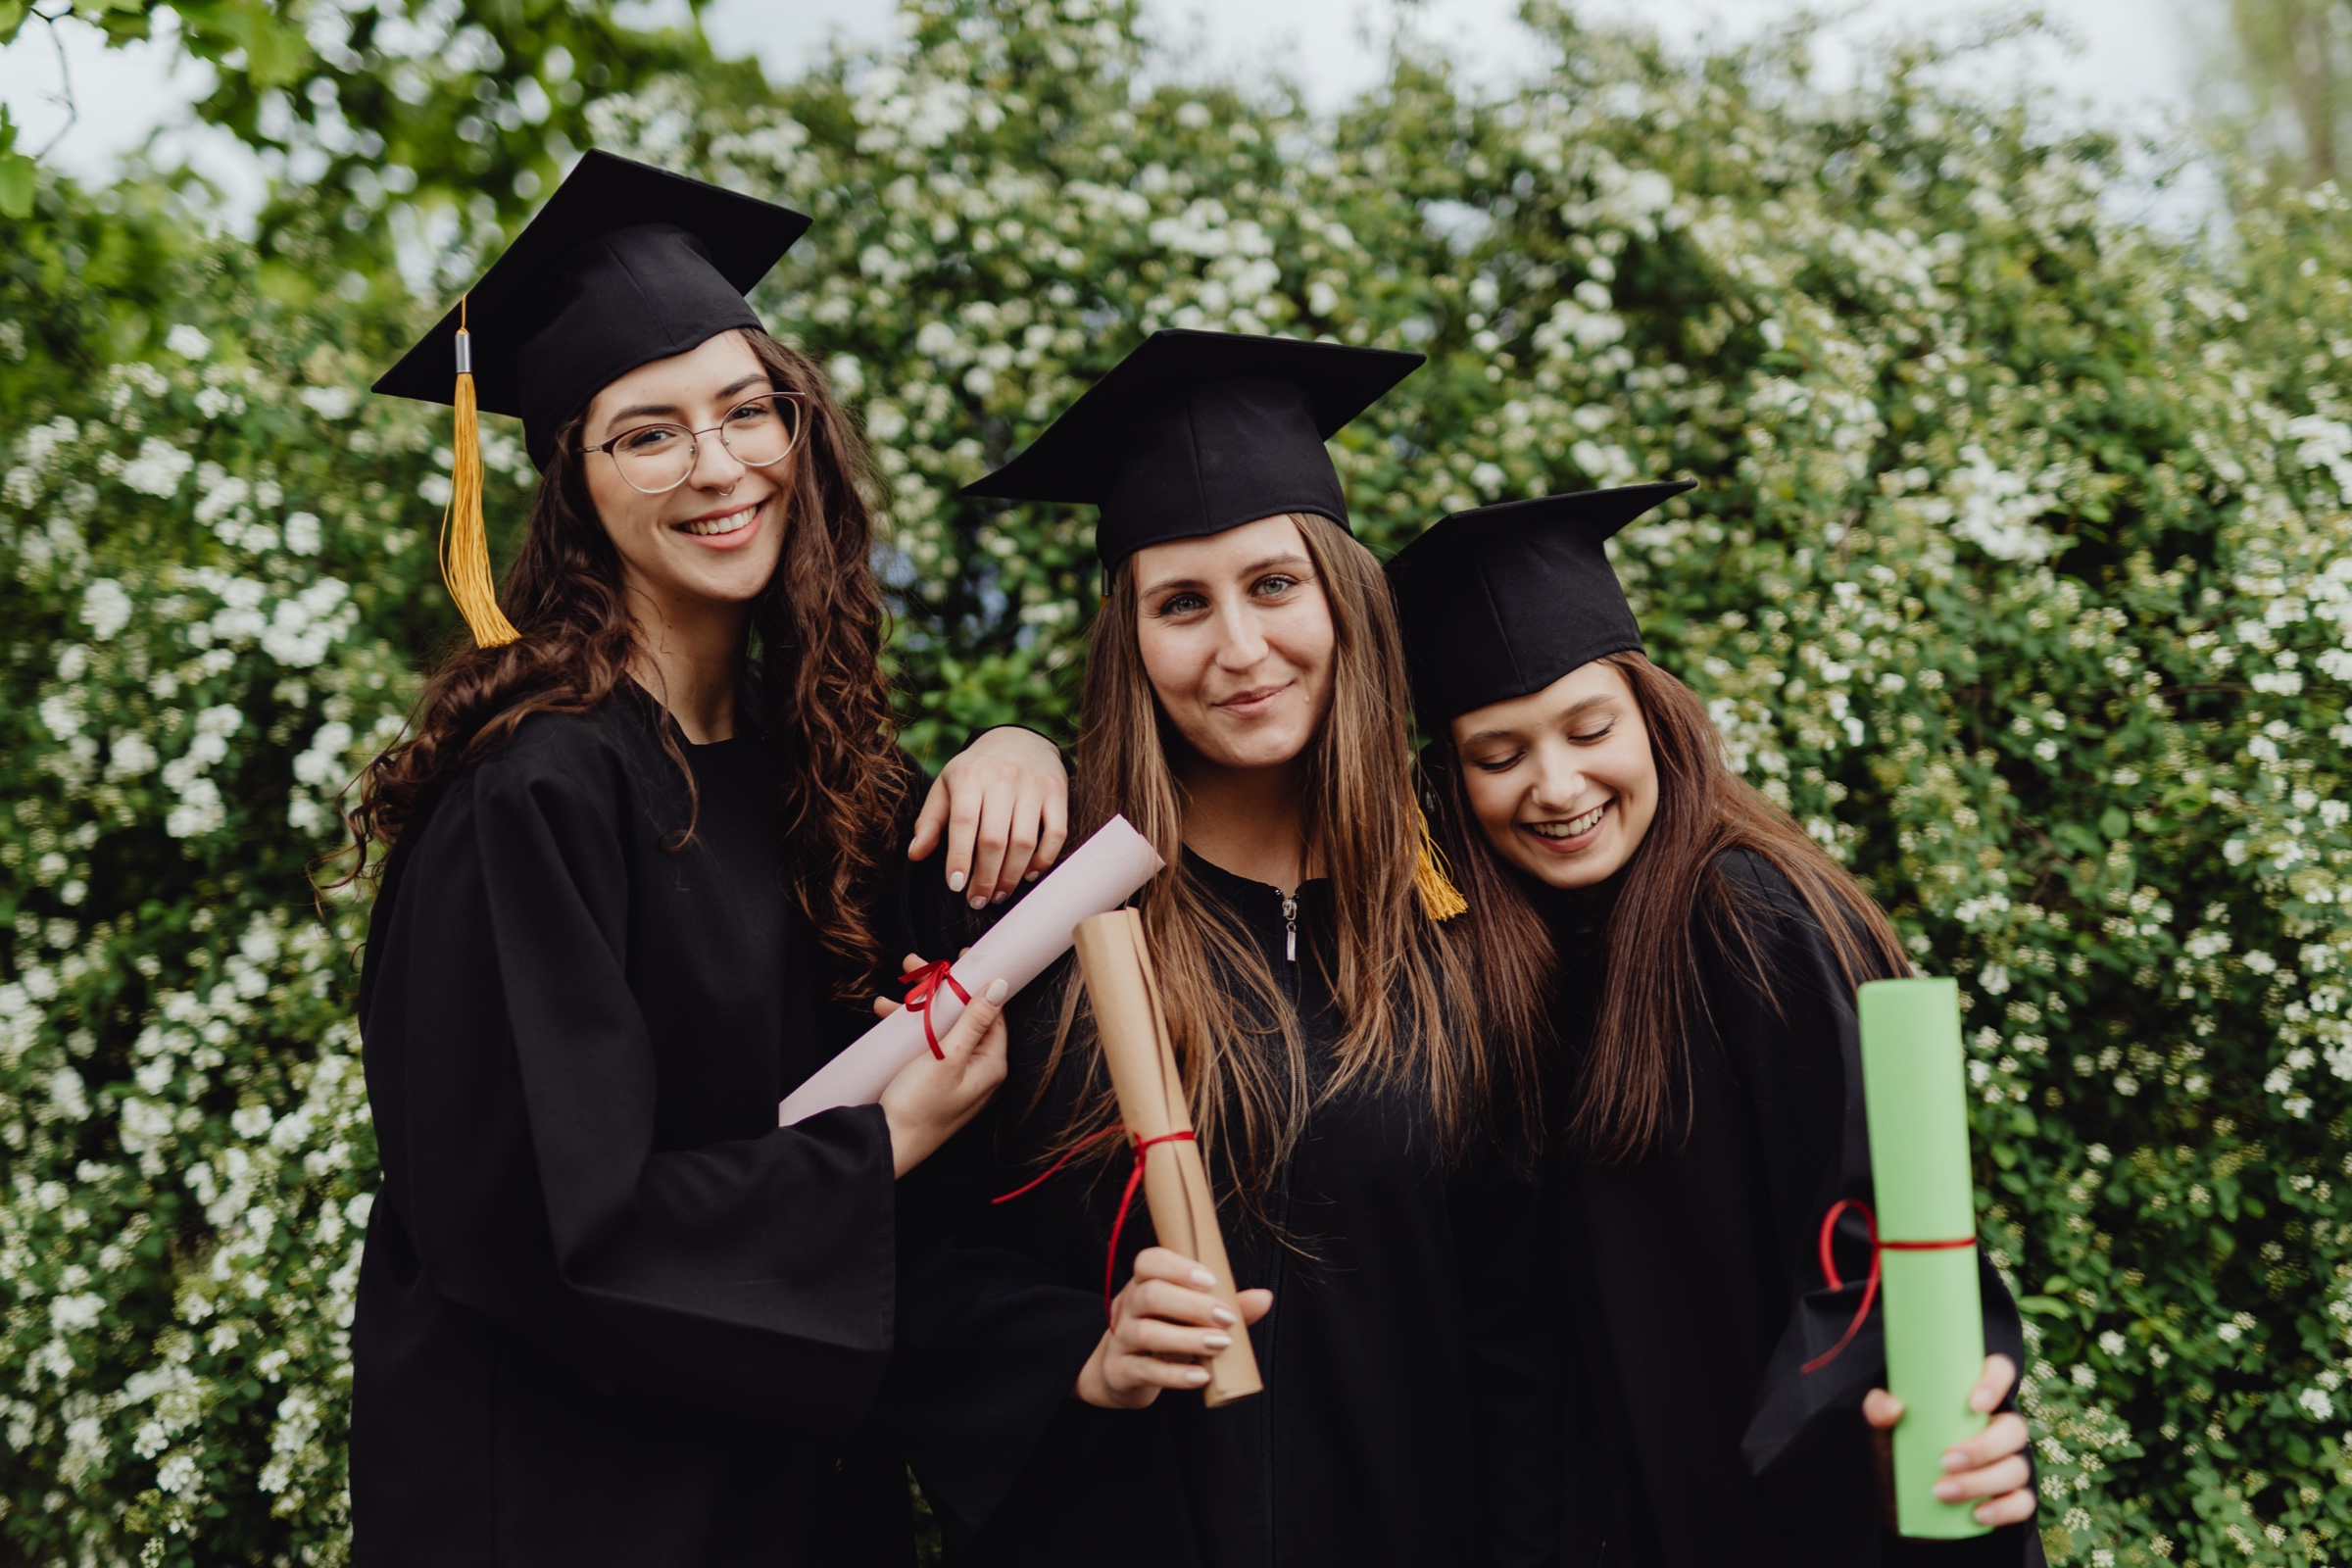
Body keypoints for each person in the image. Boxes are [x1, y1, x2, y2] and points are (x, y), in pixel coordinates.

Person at [347, 151, 1068, 1567]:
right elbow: (555, 1226)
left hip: (789, 1499)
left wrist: (1022, 749)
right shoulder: (535, 795)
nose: (721, 465)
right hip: (569, 1509)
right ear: (572, 482)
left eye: (749, 411)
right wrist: (888, 1142)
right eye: (650, 433)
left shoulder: (827, 773)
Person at [887, 329, 1557, 1568]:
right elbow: (908, 1245)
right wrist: (1077, 1356)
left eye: (1274, 584)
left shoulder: (1465, 914)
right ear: (1130, 640)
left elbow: (1523, 1323)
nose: (1239, 650)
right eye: (1181, 604)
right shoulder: (1026, 908)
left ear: (1344, 598)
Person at [1387, 483, 2041, 1567]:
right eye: (1497, 754)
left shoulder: (1752, 918)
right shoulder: (1512, 957)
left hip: (1769, 1515)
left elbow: (1868, 1234)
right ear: (1449, 781)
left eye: (1590, 728)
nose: (1555, 785)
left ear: (1657, 717)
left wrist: (1902, 1415)